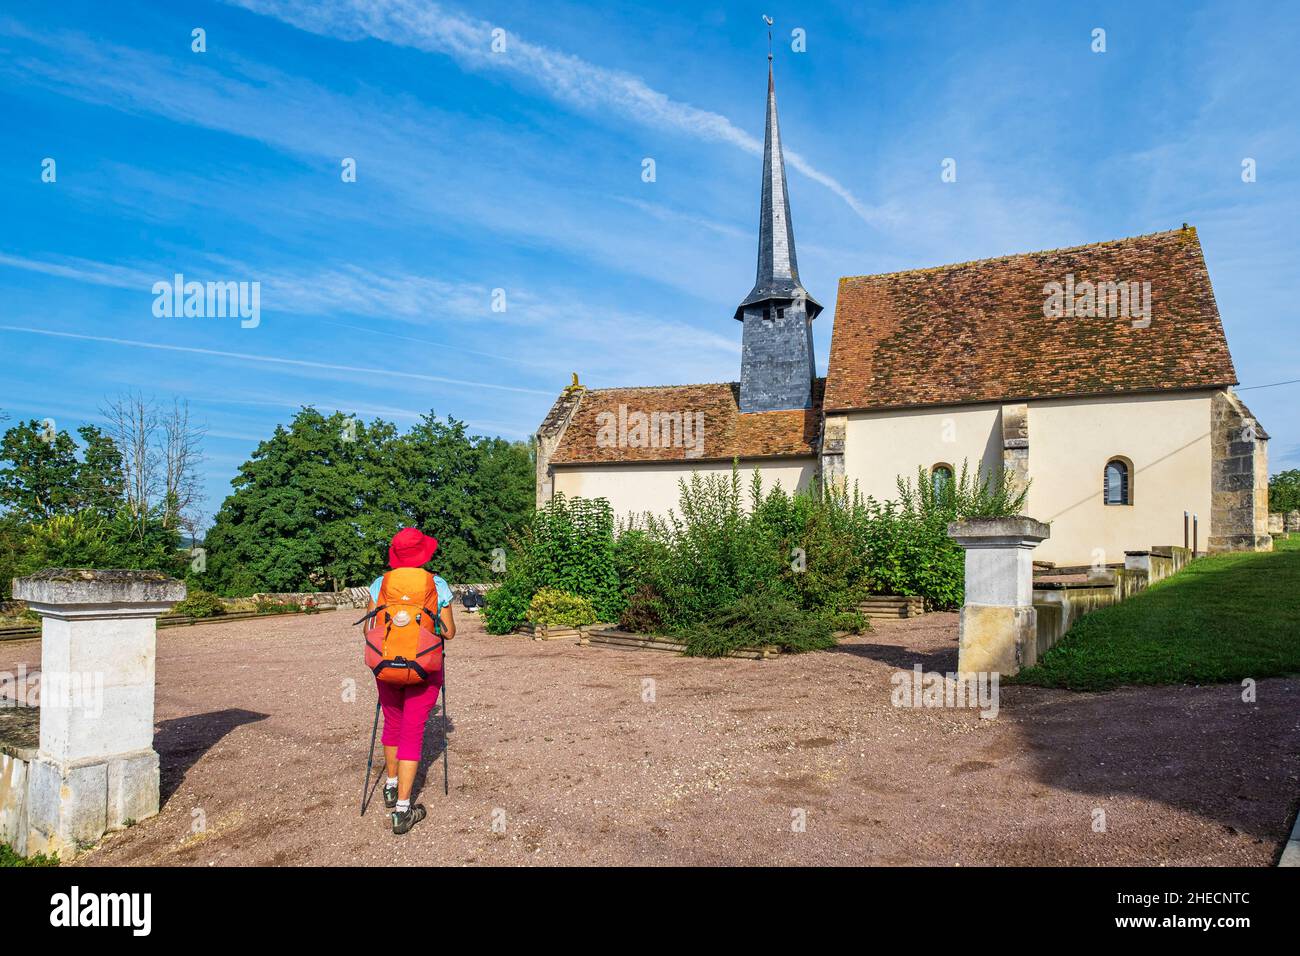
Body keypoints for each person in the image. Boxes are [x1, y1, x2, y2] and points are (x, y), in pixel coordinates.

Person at [367, 527, 456, 834]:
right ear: (424, 554)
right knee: (412, 731)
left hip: (387, 665)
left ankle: (390, 787)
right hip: (423, 666)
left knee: (392, 723)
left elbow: (369, 629)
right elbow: (449, 632)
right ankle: (403, 810)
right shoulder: (437, 584)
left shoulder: (381, 583)